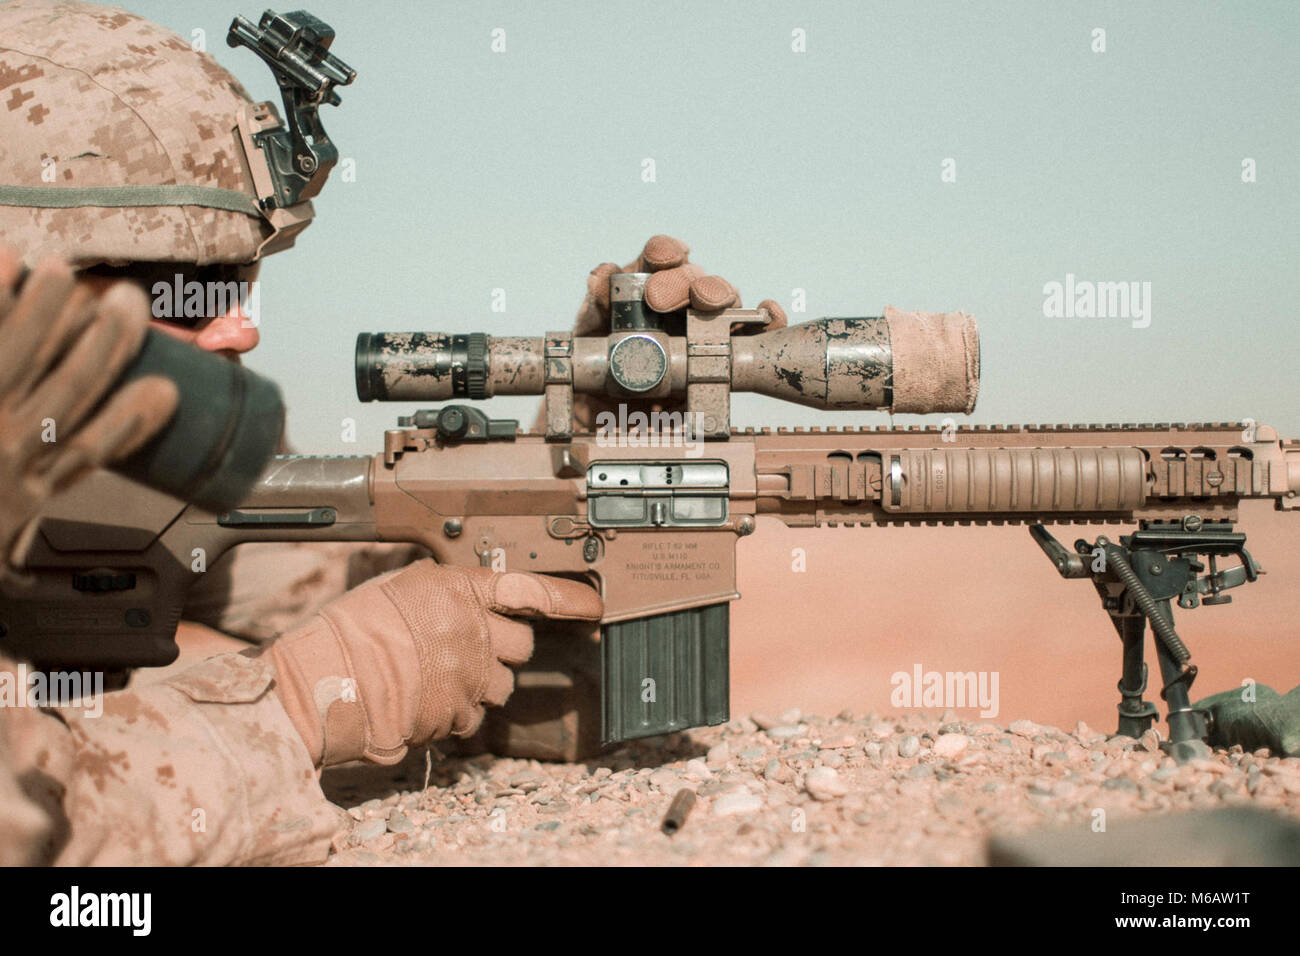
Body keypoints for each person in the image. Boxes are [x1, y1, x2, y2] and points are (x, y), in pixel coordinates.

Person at [0, 0, 783, 864]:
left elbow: (404, 625)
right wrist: (299, 705)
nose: (237, 329)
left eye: (239, 278)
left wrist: (573, 486)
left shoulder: (125, 479)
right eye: (175, 283)